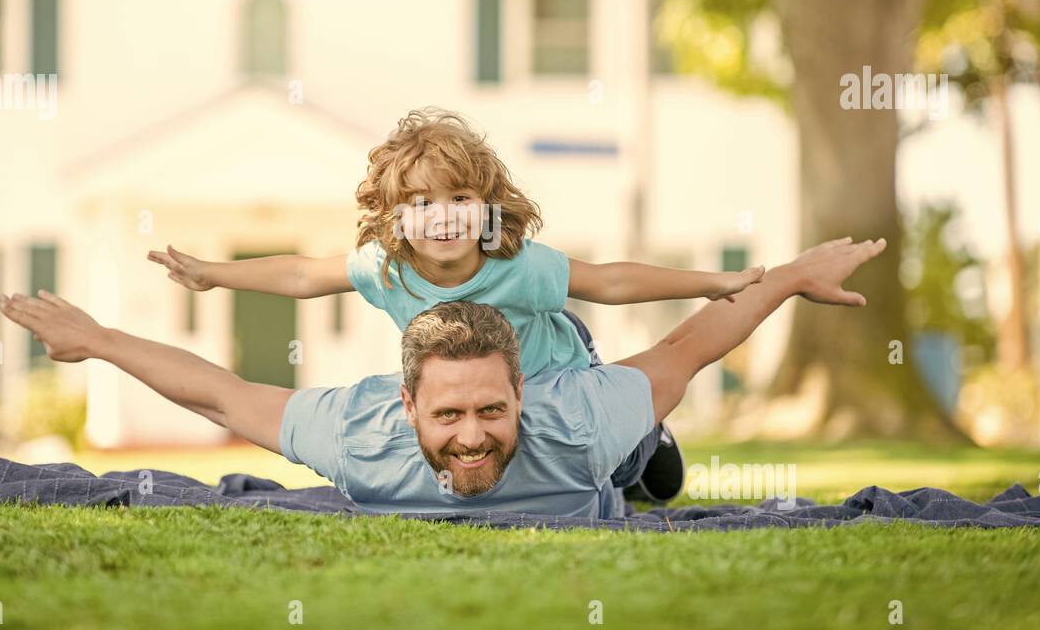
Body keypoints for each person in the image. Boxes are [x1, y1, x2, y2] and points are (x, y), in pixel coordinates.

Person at [0, 236, 885, 519]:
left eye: (491, 410)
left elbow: (695, 342)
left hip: (577, 379)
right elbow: (220, 393)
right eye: (450, 413)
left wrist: (794, 272)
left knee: (637, 444)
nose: (471, 435)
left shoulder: (578, 419)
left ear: (522, 398)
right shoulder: (361, 435)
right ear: (406, 406)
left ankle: (642, 443)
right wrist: (103, 339)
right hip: (548, 387)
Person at [146, 107, 763, 501]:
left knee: (613, 466)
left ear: (490, 207)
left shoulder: (518, 266)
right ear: (395, 217)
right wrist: (214, 275)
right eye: (418, 203)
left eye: (460, 197)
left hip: (560, 368)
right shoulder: (388, 269)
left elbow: (610, 283)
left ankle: (649, 437)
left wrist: (704, 282)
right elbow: (304, 273)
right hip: (479, 386)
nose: (440, 217)